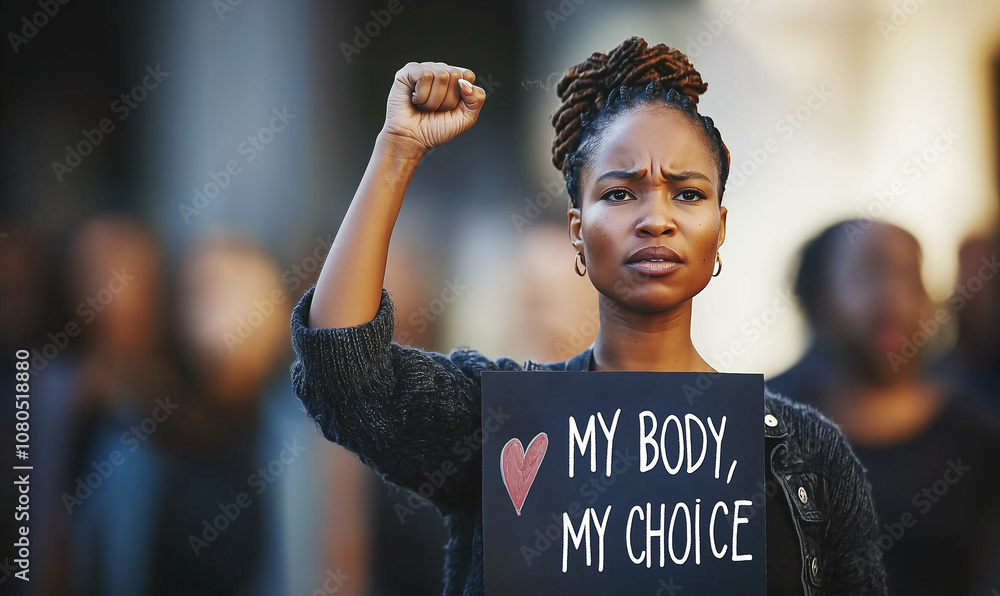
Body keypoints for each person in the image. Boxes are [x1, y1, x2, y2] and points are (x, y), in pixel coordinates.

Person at [290, 37, 887, 595]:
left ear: (720, 228)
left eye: (687, 193)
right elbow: (344, 371)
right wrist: (397, 150)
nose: (657, 219)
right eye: (620, 193)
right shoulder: (499, 420)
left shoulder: (808, 456)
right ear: (577, 231)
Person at [768, 219, 1000, 595]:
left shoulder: (980, 445)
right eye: (869, 273)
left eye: (911, 276)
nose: (894, 298)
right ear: (819, 296)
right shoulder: (766, 436)